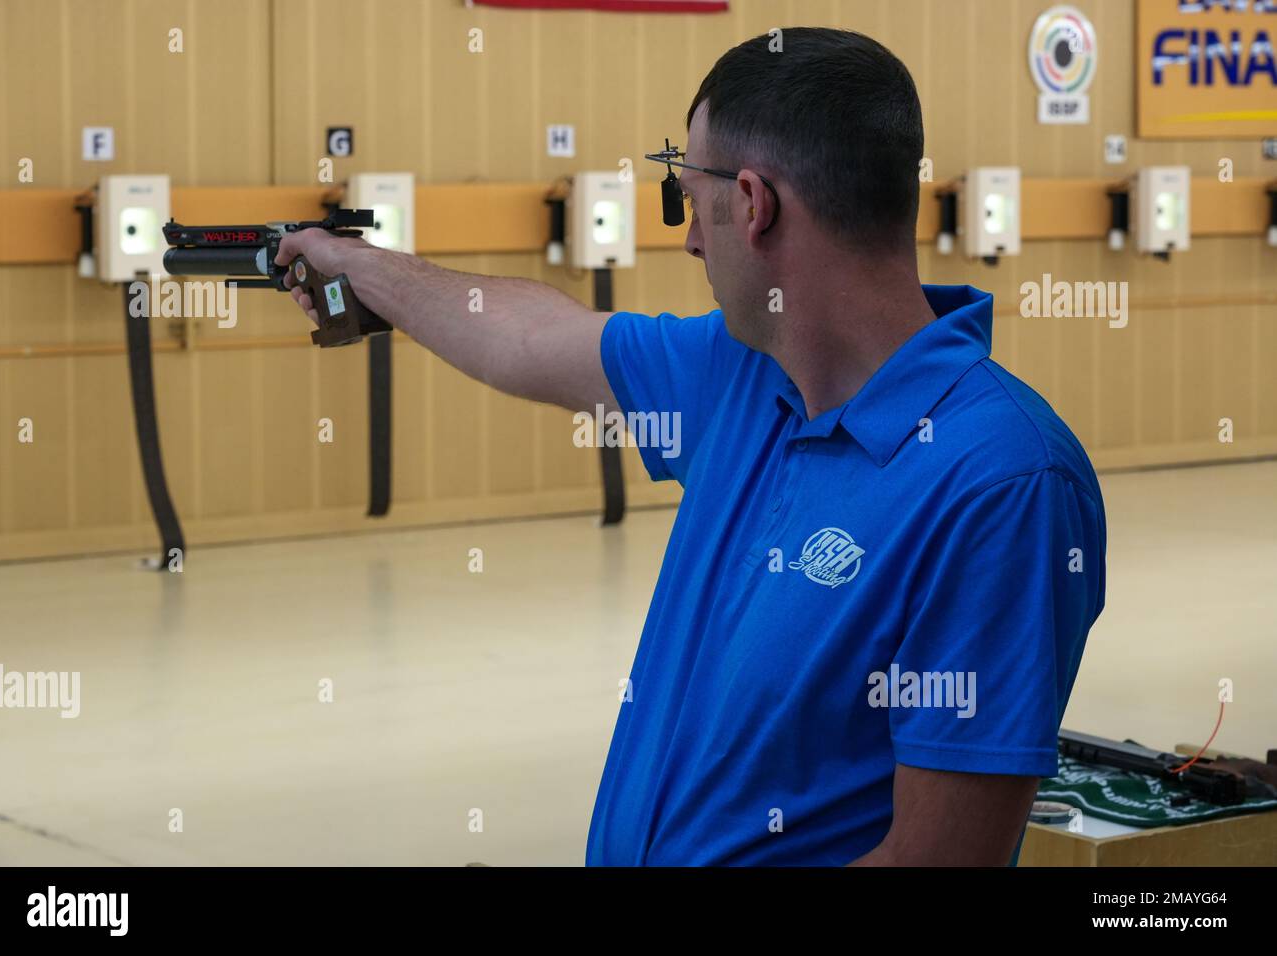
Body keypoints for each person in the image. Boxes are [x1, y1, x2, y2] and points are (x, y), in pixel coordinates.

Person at [276, 27, 1106, 866]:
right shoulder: (740, 372)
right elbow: (527, 337)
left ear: (752, 203)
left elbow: (936, 865)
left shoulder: (1004, 483)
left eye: (687, 198)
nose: (688, 238)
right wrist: (356, 266)